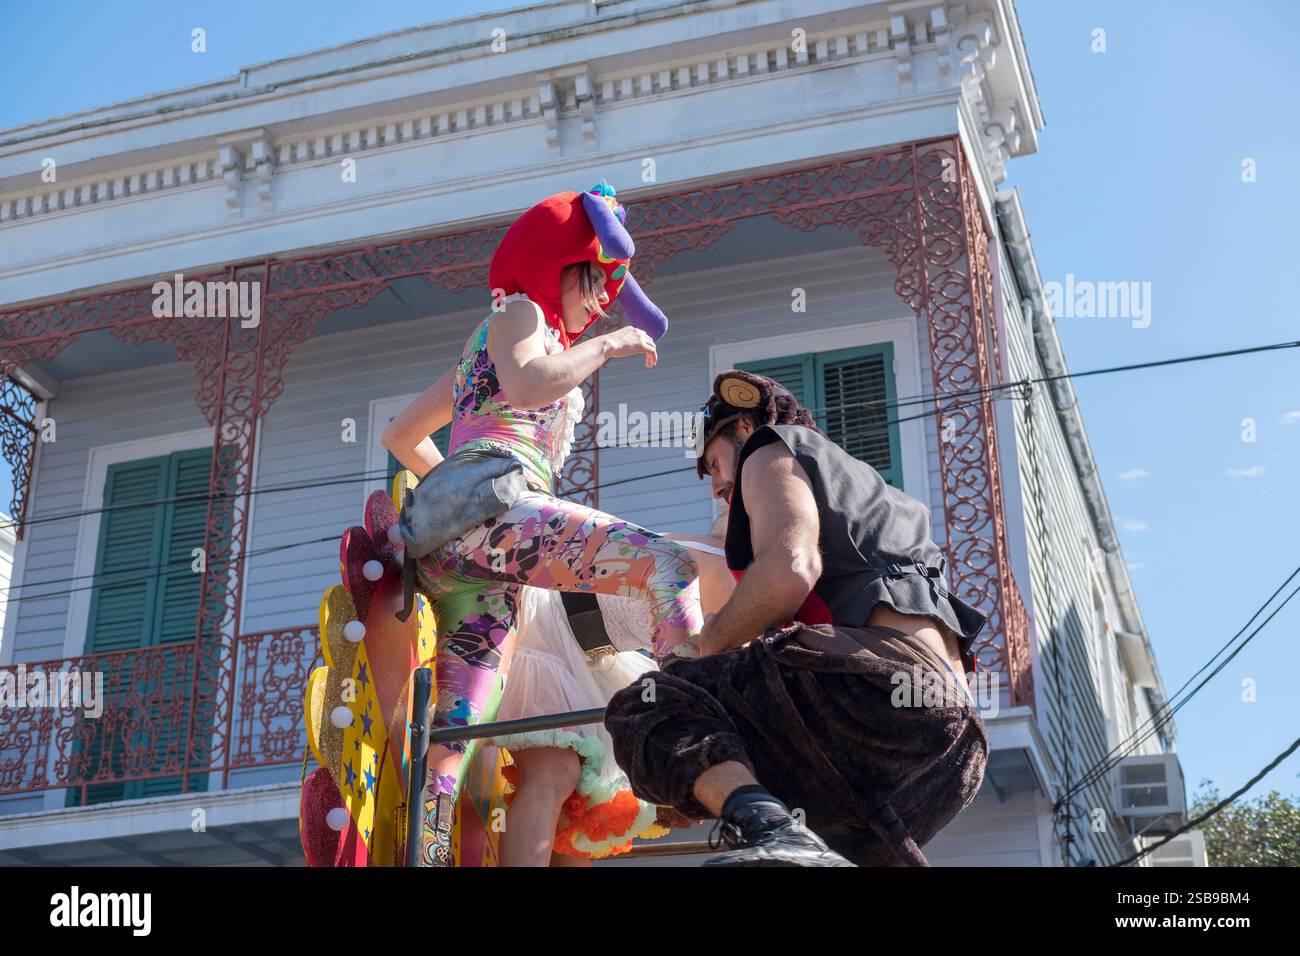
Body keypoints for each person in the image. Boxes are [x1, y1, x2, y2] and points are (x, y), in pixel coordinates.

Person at [383, 184, 705, 866]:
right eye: (595, 283)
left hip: (461, 547)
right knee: (668, 565)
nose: (601, 304)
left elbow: (400, 434)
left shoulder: (486, 343)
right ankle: (699, 734)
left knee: (455, 733)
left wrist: (451, 497)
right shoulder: (520, 312)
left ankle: (427, 857)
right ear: (558, 265)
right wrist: (610, 345)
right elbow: (530, 386)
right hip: (499, 519)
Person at [604, 369, 990, 866]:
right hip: (953, 756)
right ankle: (779, 830)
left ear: (743, 426)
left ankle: (770, 826)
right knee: (807, 846)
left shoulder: (770, 447)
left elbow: (790, 568)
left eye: (714, 463)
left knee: (649, 703)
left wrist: (707, 647)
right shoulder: (876, 499)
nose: (717, 484)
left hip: (877, 692)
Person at [492, 521, 734, 866]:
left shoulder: (734, 572)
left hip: (589, 654)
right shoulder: (733, 575)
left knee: (585, 796)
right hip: (543, 618)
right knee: (555, 774)